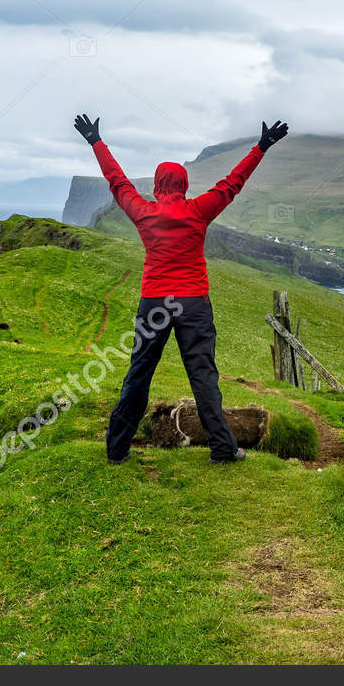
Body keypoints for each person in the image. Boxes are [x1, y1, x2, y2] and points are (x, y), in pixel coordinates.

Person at [73, 114, 289, 464]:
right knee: (203, 377)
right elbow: (233, 183)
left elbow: (118, 181)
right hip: (194, 303)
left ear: (157, 185)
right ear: (185, 185)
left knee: (138, 375)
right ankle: (222, 448)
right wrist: (261, 147)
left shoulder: (143, 212)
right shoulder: (199, 211)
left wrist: (95, 141)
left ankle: (116, 449)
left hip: (156, 302)